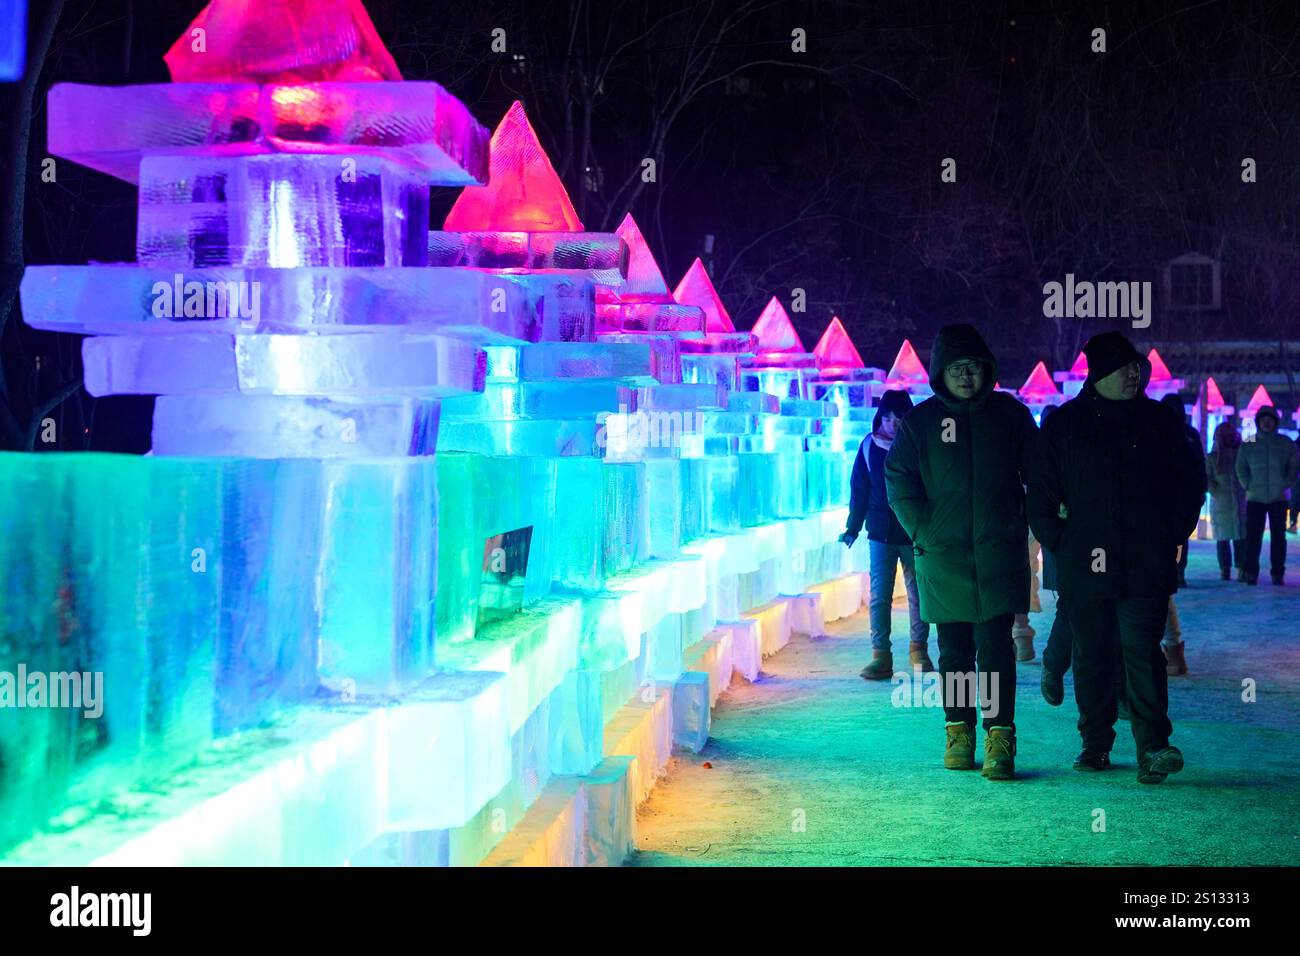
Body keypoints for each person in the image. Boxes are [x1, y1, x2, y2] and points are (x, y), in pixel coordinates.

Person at [1028, 332, 1203, 783]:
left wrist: (1171, 532)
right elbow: (1041, 494)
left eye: (1135, 367)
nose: (1133, 374)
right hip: (1085, 563)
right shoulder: (1065, 425)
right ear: (1099, 374)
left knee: (1143, 651)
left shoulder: (1159, 422)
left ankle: (1153, 747)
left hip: (1145, 561)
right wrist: (1061, 543)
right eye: (1123, 368)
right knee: (1093, 655)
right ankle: (1095, 743)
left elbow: (1188, 483)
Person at [885, 324, 1037, 781]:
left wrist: (1022, 521)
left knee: (995, 649)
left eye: (972, 368)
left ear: (986, 369)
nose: (966, 377)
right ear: (940, 373)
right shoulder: (921, 423)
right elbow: (899, 480)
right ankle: (959, 731)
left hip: (997, 553)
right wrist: (923, 529)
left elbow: (1040, 471)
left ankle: (999, 736)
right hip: (942, 555)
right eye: (956, 369)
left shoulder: (1009, 415)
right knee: (952, 651)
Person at [840, 389, 933, 679]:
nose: (893, 423)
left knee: (919, 594)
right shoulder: (869, 446)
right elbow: (860, 490)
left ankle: (919, 650)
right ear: (880, 417)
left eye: (900, 417)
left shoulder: (918, 447)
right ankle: (881, 655)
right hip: (880, 534)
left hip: (914, 532)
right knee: (880, 595)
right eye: (888, 417)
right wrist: (853, 527)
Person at [1235, 405, 1298, 585]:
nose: (1267, 423)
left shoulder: (1286, 443)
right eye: (1263, 420)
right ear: (1258, 422)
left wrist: (1286, 483)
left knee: (1279, 537)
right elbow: (1241, 468)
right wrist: (1247, 484)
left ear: (1275, 422)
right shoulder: (1249, 444)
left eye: (1270, 420)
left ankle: (1278, 572)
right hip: (1255, 497)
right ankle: (1251, 571)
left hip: (1278, 498)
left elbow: (1293, 466)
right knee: (1253, 537)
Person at [1160, 393, 1205, 589]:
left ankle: (1178, 570)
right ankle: (1165, 570)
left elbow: (1199, 464)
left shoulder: (1189, 434)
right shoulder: (1154, 431)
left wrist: (1200, 489)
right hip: (1160, 491)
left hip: (1183, 493)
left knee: (1179, 535)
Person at [1206, 422, 1247, 581]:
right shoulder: (1212, 458)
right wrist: (1214, 490)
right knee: (1223, 539)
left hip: (1241, 501)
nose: (1230, 437)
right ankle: (1225, 568)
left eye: (1232, 434)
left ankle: (1241, 567)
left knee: (1240, 537)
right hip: (1221, 502)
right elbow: (1207, 478)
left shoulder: (1241, 454)